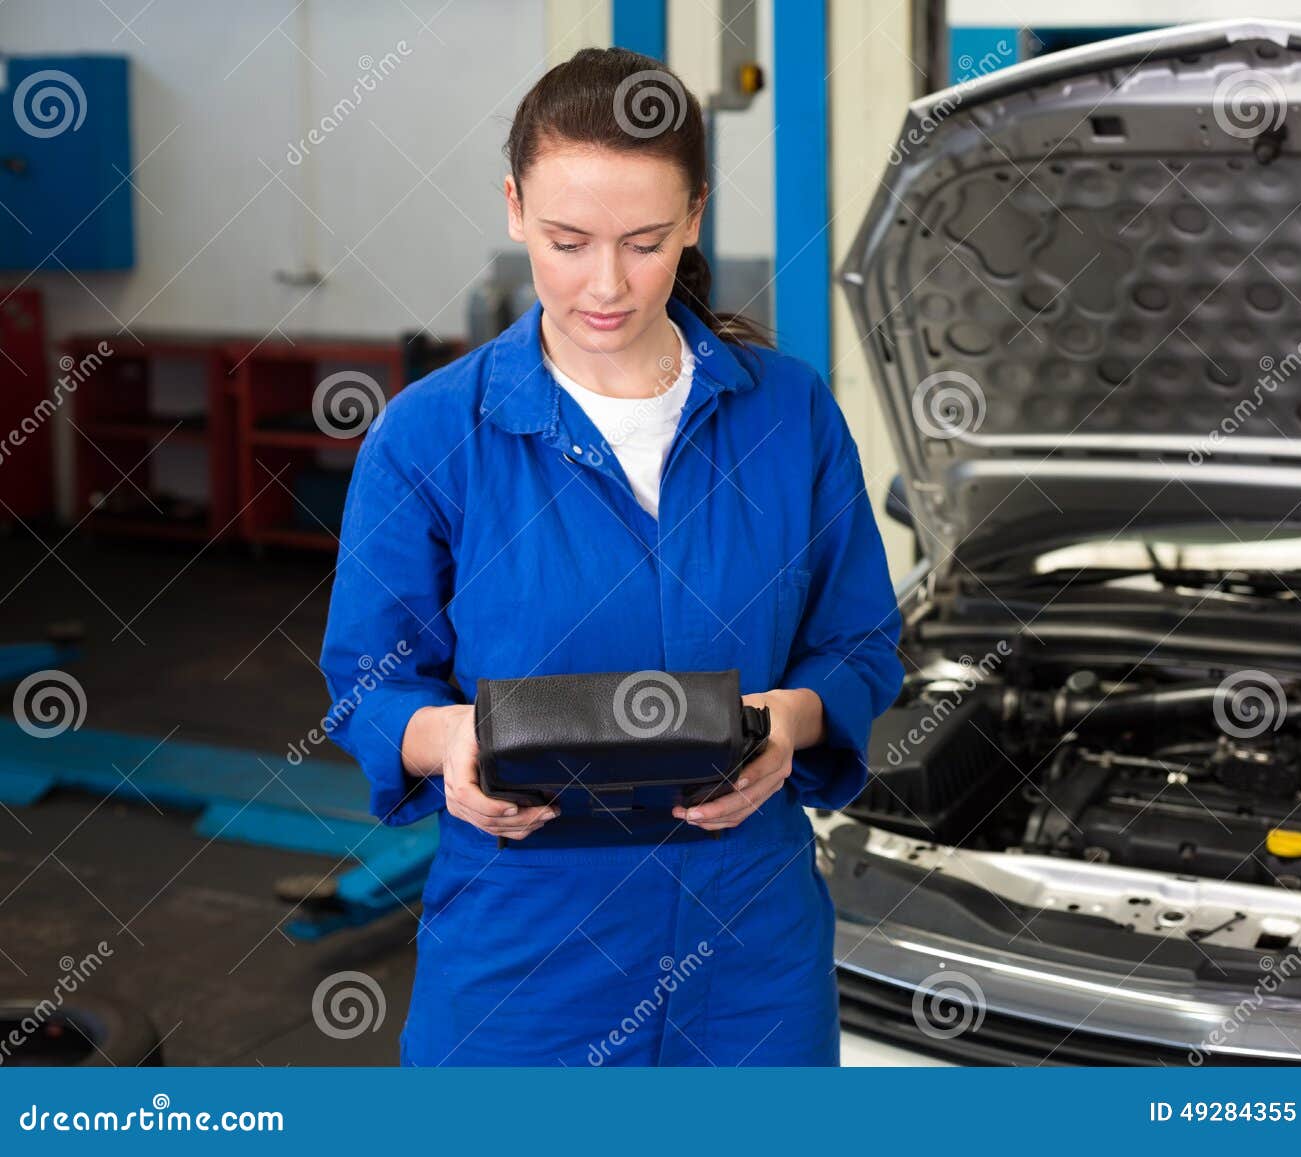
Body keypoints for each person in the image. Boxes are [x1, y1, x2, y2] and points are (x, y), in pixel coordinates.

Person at [317, 46, 904, 1066]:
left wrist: (786, 726)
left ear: (693, 216)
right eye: (566, 239)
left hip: (750, 946)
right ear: (512, 207)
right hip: (524, 952)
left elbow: (856, 641)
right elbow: (367, 684)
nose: (605, 284)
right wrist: (445, 742)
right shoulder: (430, 436)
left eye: (642, 243)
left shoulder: (789, 413)